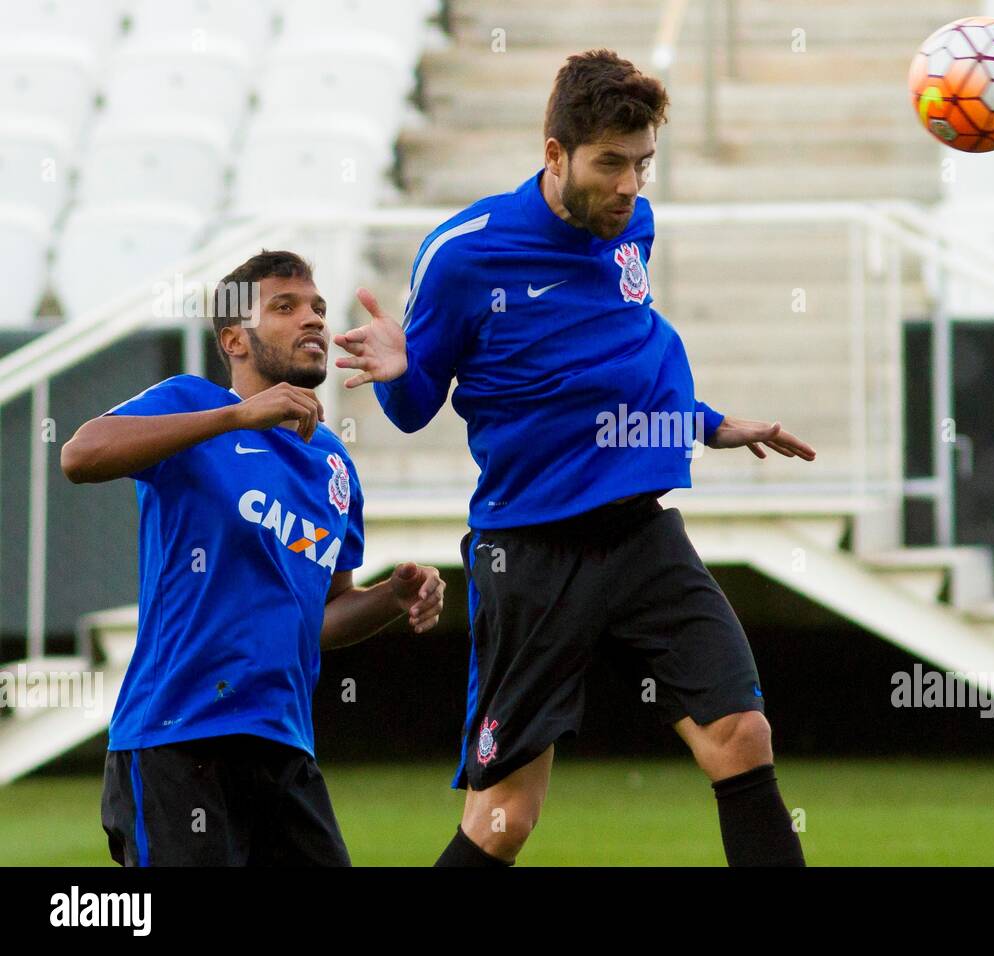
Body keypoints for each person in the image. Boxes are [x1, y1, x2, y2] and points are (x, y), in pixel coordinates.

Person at [336, 50, 815, 867]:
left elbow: (612, 362)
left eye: (642, 164)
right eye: (610, 164)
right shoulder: (465, 254)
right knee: (504, 818)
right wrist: (394, 371)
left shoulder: (635, 227)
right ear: (554, 153)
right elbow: (415, 408)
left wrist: (704, 423)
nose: (630, 186)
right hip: (531, 550)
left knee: (742, 736)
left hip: (640, 534)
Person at [61, 250, 445, 866]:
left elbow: (321, 616)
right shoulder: (191, 402)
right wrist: (237, 416)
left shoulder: (333, 466)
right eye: (285, 307)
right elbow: (79, 455)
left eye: (318, 307)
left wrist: (392, 599)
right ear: (234, 339)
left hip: (283, 747)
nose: (313, 319)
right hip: (178, 741)